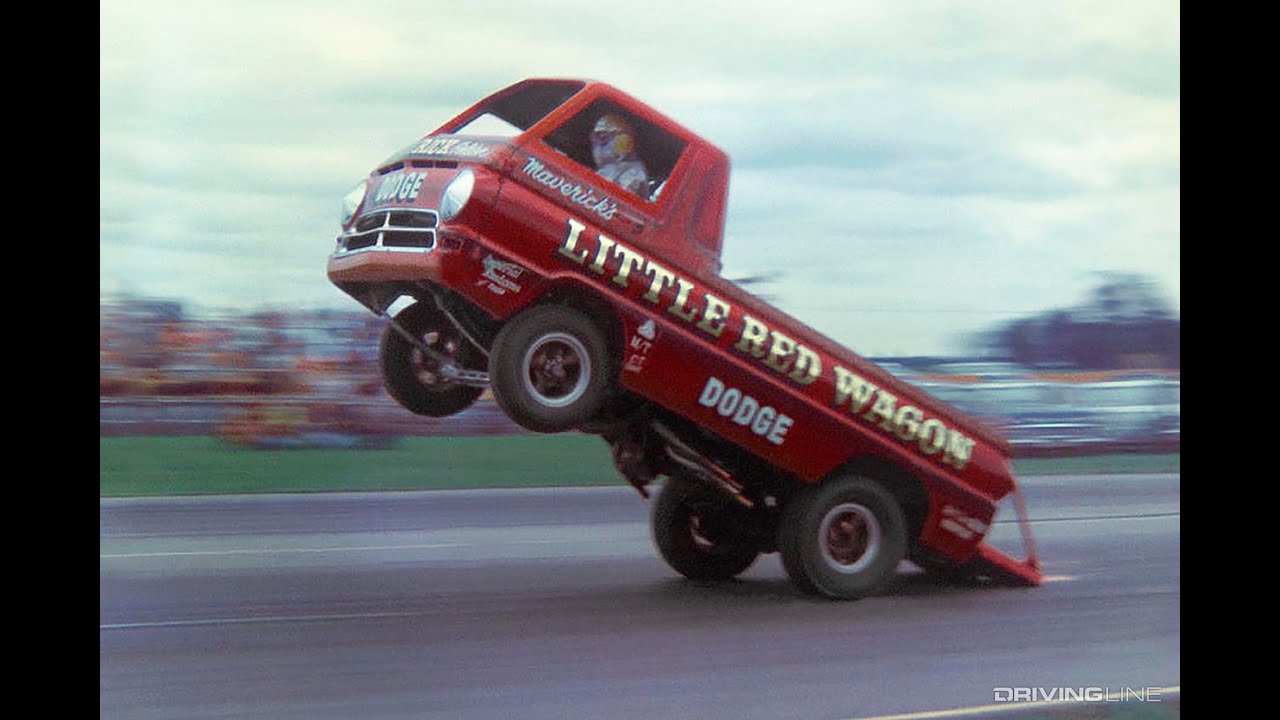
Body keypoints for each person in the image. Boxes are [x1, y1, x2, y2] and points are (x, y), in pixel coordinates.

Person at [590, 114, 649, 196]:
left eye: (603, 138)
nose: (597, 145)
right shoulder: (607, 169)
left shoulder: (634, 172)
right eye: (595, 138)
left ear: (624, 141)